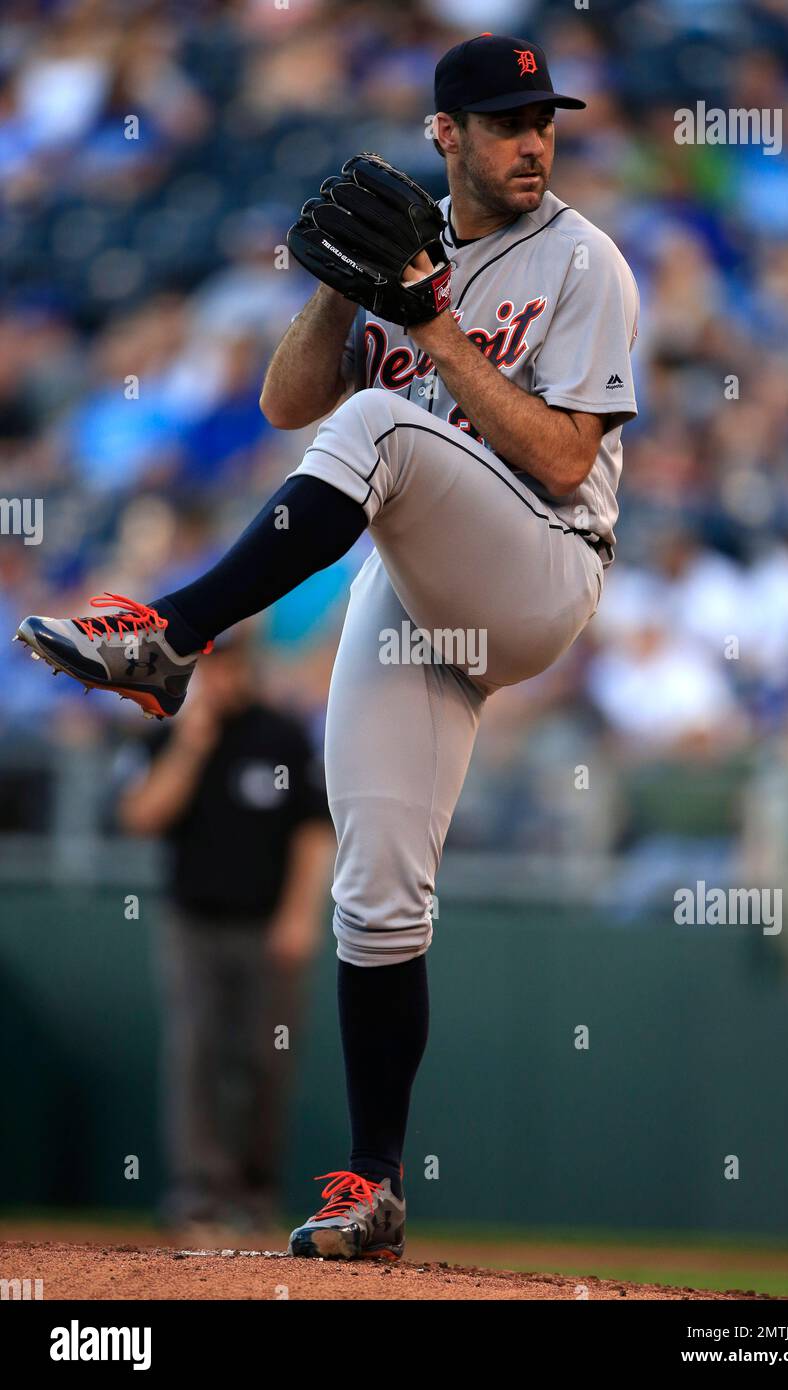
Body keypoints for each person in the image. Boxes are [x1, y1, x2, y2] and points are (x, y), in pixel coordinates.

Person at [18, 34, 639, 1260]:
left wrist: (440, 335)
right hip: (419, 577)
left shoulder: (584, 261)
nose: (533, 139)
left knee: (382, 424)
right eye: (505, 120)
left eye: (542, 118)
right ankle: (374, 1184)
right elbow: (282, 405)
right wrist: (341, 286)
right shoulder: (408, 245)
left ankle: (173, 633)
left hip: (541, 565)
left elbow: (567, 458)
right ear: (443, 134)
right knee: (377, 892)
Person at [116, 633, 333, 1245]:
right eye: (210, 665)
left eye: (231, 664)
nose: (223, 676)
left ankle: (252, 1195)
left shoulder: (281, 734)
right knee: (197, 1054)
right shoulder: (168, 732)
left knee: (265, 1062)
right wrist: (191, 745)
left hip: (267, 926)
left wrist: (299, 915)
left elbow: (313, 830)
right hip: (193, 923)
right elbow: (141, 817)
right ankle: (198, 1194)